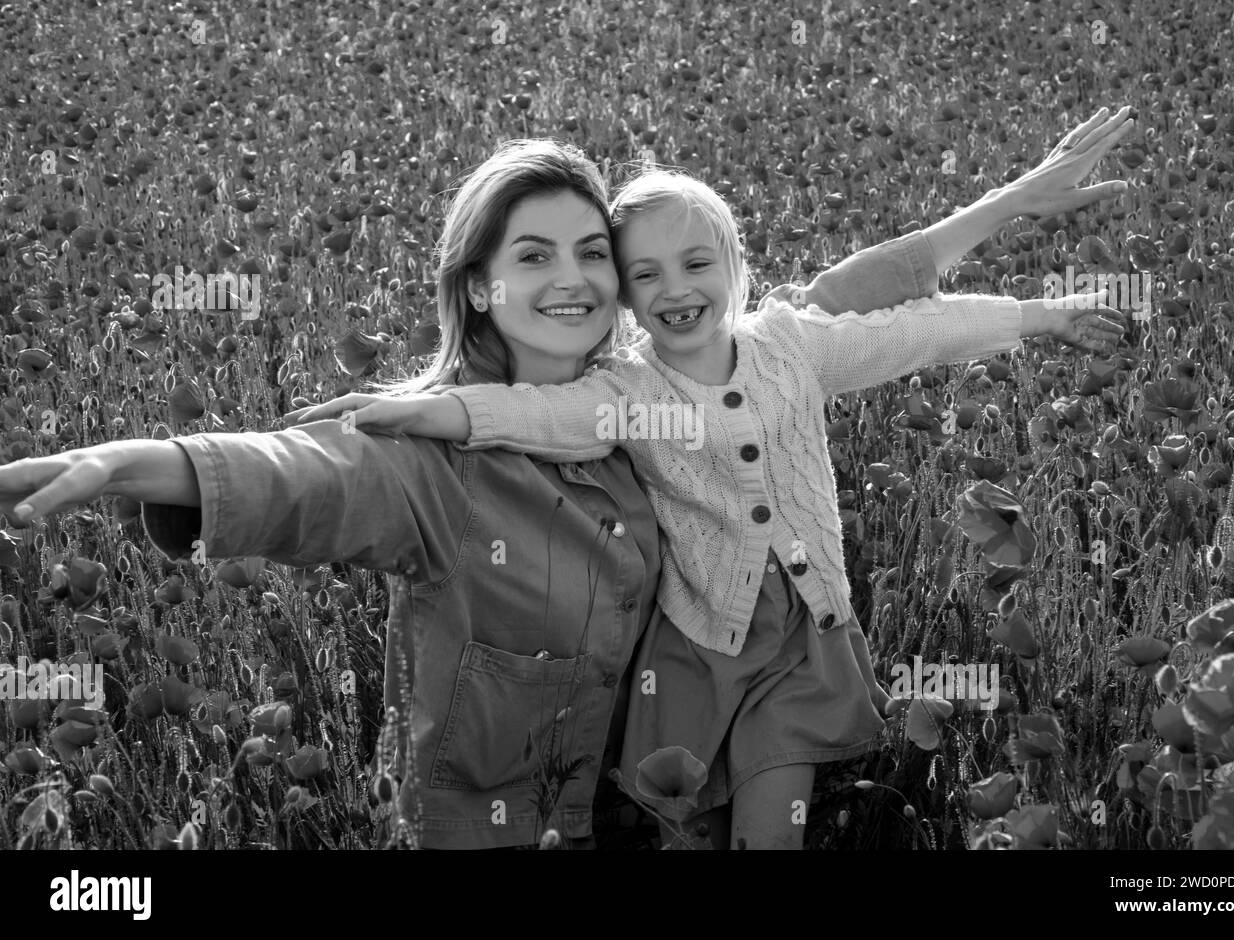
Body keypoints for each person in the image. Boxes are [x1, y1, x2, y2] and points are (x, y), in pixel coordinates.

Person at [0, 140, 958, 848]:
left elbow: (815, 313)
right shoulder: (433, 451)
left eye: (592, 254)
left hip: (626, 810)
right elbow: (312, 473)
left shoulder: (638, 419)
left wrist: (1012, 209)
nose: (573, 279)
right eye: (532, 257)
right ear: (480, 286)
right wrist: (138, 461)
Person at [285, 108, 1136, 848]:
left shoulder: (795, 345)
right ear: (622, 296)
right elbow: (539, 417)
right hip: (695, 650)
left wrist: (1046, 317)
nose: (675, 289)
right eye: (645, 274)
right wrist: (424, 412)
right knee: (688, 828)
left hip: (802, 641)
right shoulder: (626, 389)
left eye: (697, 264)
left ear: (736, 265)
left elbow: (922, 329)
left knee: (774, 826)